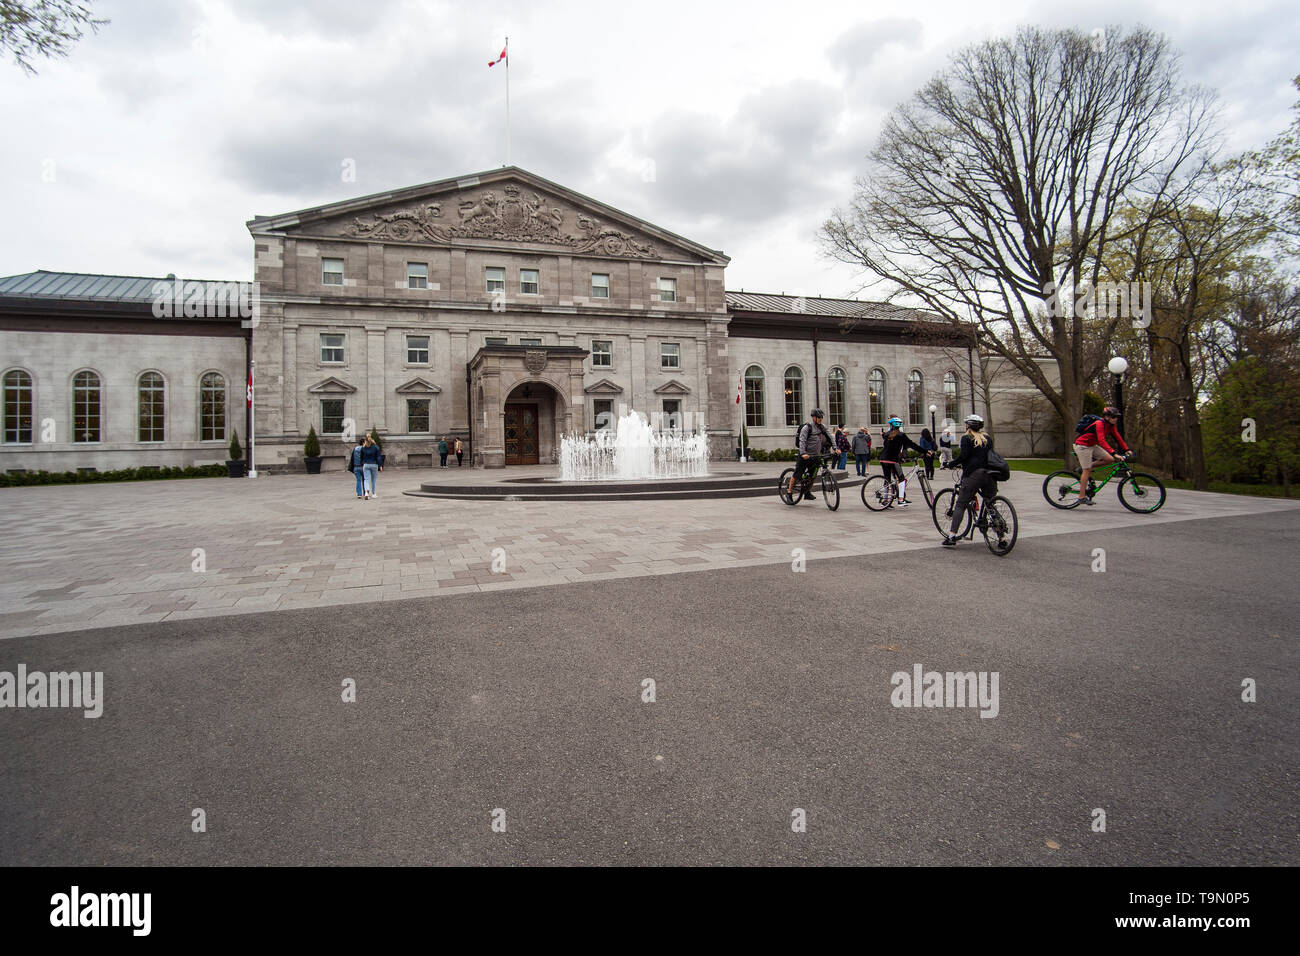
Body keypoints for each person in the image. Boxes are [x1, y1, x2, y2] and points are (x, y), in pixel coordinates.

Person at [940, 414, 1003, 548]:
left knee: (961, 503)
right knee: (991, 505)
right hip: (990, 474)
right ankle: (1001, 538)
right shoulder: (987, 438)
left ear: (968, 425)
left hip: (974, 475)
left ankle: (951, 536)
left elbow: (964, 456)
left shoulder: (966, 438)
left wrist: (950, 464)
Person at [1073, 406, 1131, 505]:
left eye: (1117, 417)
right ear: (1107, 417)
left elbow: (1118, 438)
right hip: (1082, 446)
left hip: (1091, 445)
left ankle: (1085, 468)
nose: (1116, 419)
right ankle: (1081, 497)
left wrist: (1127, 449)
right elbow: (1102, 441)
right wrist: (1115, 453)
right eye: (1114, 417)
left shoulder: (1111, 426)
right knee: (1086, 471)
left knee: (1109, 459)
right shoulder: (1099, 424)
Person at [787, 408, 833, 501]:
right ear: (813, 418)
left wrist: (836, 448)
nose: (820, 419)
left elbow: (830, 437)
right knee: (797, 475)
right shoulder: (807, 427)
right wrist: (803, 453)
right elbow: (802, 441)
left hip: (815, 455)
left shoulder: (822, 427)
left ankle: (807, 492)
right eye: (819, 417)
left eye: (821, 417)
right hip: (805, 455)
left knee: (813, 475)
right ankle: (789, 493)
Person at [879, 416, 925, 507]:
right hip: (893, 460)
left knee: (887, 479)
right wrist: (925, 451)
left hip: (883, 459)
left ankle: (885, 500)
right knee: (901, 479)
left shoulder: (887, 435)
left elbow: (886, 442)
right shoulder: (901, 435)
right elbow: (912, 445)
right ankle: (901, 500)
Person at [360, 434, 382, 499]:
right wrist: (380, 466)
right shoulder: (376, 447)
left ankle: (366, 492)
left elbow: (361, 457)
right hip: (374, 464)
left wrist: (362, 463)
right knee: (373, 480)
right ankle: (373, 493)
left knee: (366, 479)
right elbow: (378, 457)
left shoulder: (363, 448)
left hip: (366, 464)